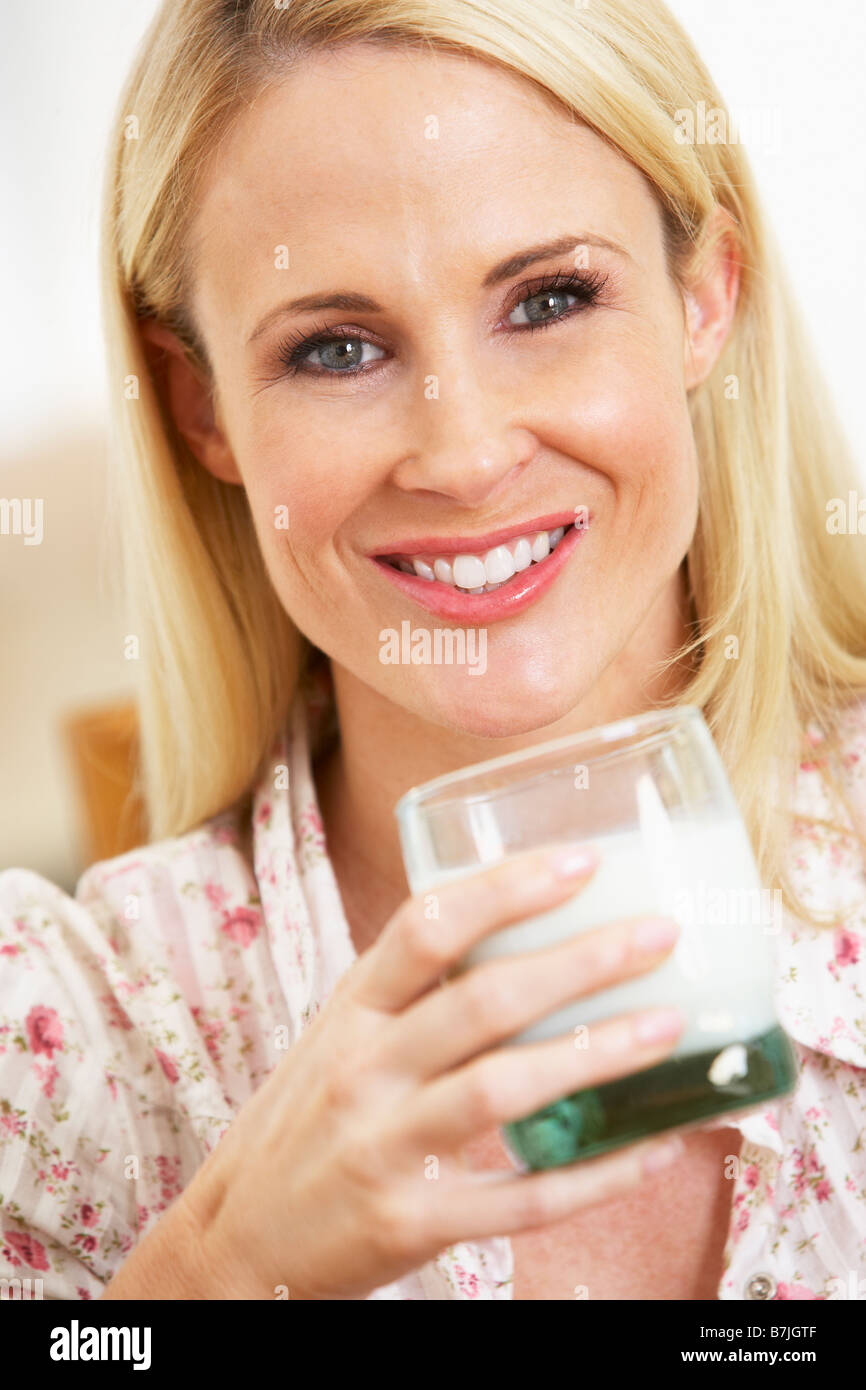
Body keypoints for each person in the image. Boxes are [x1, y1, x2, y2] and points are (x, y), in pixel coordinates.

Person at [1, 0, 865, 1301]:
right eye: (335, 348)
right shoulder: (71, 1048)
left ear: (703, 297)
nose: (462, 455)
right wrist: (218, 1267)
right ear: (203, 407)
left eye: (550, 297)